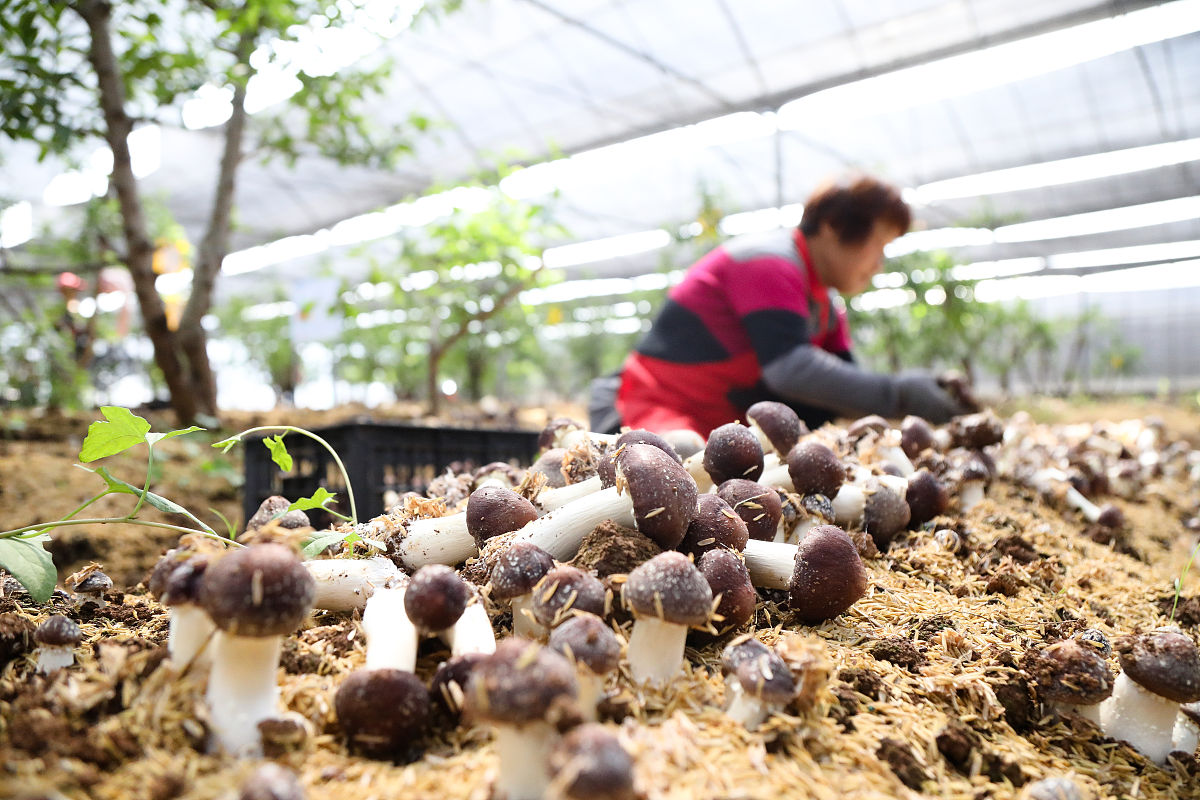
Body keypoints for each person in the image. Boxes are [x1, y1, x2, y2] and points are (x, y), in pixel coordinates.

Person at [589, 174, 969, 437]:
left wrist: (925, 390)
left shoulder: (826, 307)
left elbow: (843, 389)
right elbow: (790, 369)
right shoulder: (769, 263)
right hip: (649, 412)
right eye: (879, 247)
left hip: (722, 432)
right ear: (834, 226)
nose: (879, 265)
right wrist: (901, 394)